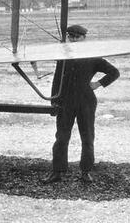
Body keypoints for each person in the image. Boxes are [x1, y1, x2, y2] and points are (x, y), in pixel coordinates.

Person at [42, 24, 120, 185]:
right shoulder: (63, 56)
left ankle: (86, 172)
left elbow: (114, 72)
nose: (73, 40)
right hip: (65, 101)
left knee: (87, 136)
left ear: (84, 38)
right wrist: (53, 101)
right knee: (61, 137)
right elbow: (57, 80)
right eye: (71, 37)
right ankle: (57, 172)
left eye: (77, 37)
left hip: (86, 101)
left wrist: (98, 84)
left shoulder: (93, 57)